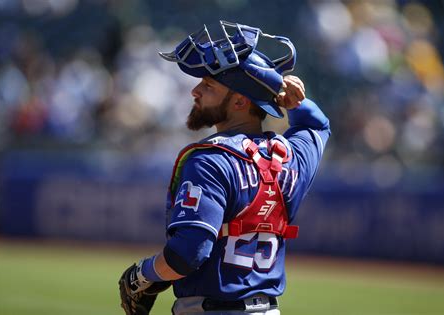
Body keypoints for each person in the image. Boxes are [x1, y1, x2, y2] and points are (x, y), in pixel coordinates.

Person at [118, 21, 331, 315]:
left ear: (241, 101)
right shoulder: (293, 156)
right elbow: (317, 124)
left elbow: (187, 254)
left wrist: (142, 274)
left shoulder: (210, 160)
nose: (195, 90)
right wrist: (292, 98)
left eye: (209, 85)